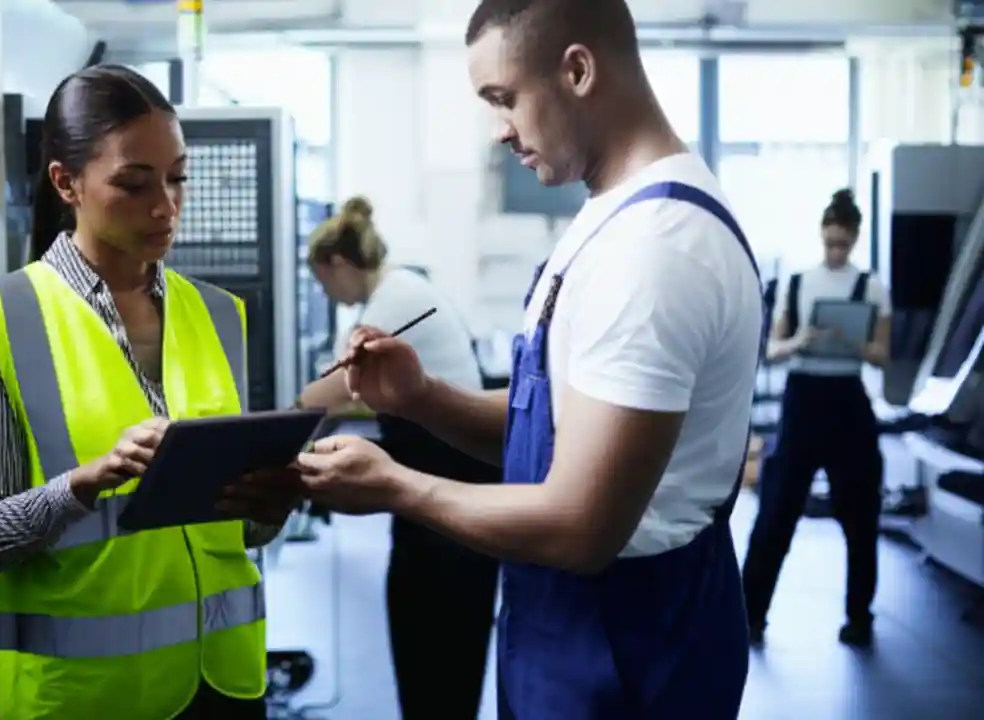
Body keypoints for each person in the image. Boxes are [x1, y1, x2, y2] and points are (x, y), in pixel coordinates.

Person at [265, 1, 766, 717]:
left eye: (505, 99)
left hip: (626, 646)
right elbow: (564, 426)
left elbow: (579, 525)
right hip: (566, 624)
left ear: (578, 70)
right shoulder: (608, 217)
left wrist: (395, 486)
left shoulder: (655, 249)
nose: (498, 129)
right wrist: (424, 398)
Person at [0, 65, 299, 720]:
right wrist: (84, 483)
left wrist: (271, 503)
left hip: (223, 684)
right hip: (86, 697)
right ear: (66, 182)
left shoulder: (218, 313)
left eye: (177, 178)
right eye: (134, 184)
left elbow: (235, 533)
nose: (165, 205)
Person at [297, 197, 500, 719]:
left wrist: (280, 423)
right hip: (448, 490)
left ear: (339, 265)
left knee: (431, 651)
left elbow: (332, 392)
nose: (330, 297)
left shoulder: (392, 300)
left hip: (449, 496)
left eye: (324, 284)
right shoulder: (401, 290)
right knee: (433, 654)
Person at [742, 189, 892, 648]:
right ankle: (750, 616)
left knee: (860, 517)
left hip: (848, 400)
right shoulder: (798, 283)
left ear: (855, 238)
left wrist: (852, 342)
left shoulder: (871, 287)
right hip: (803, 399)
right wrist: (800, 341)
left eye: (843, 243)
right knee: (775, 514)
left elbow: (883, 356)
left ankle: (859, 618)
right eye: (829, 242)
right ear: (820, 235)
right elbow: (769, 349)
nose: (835, 252)